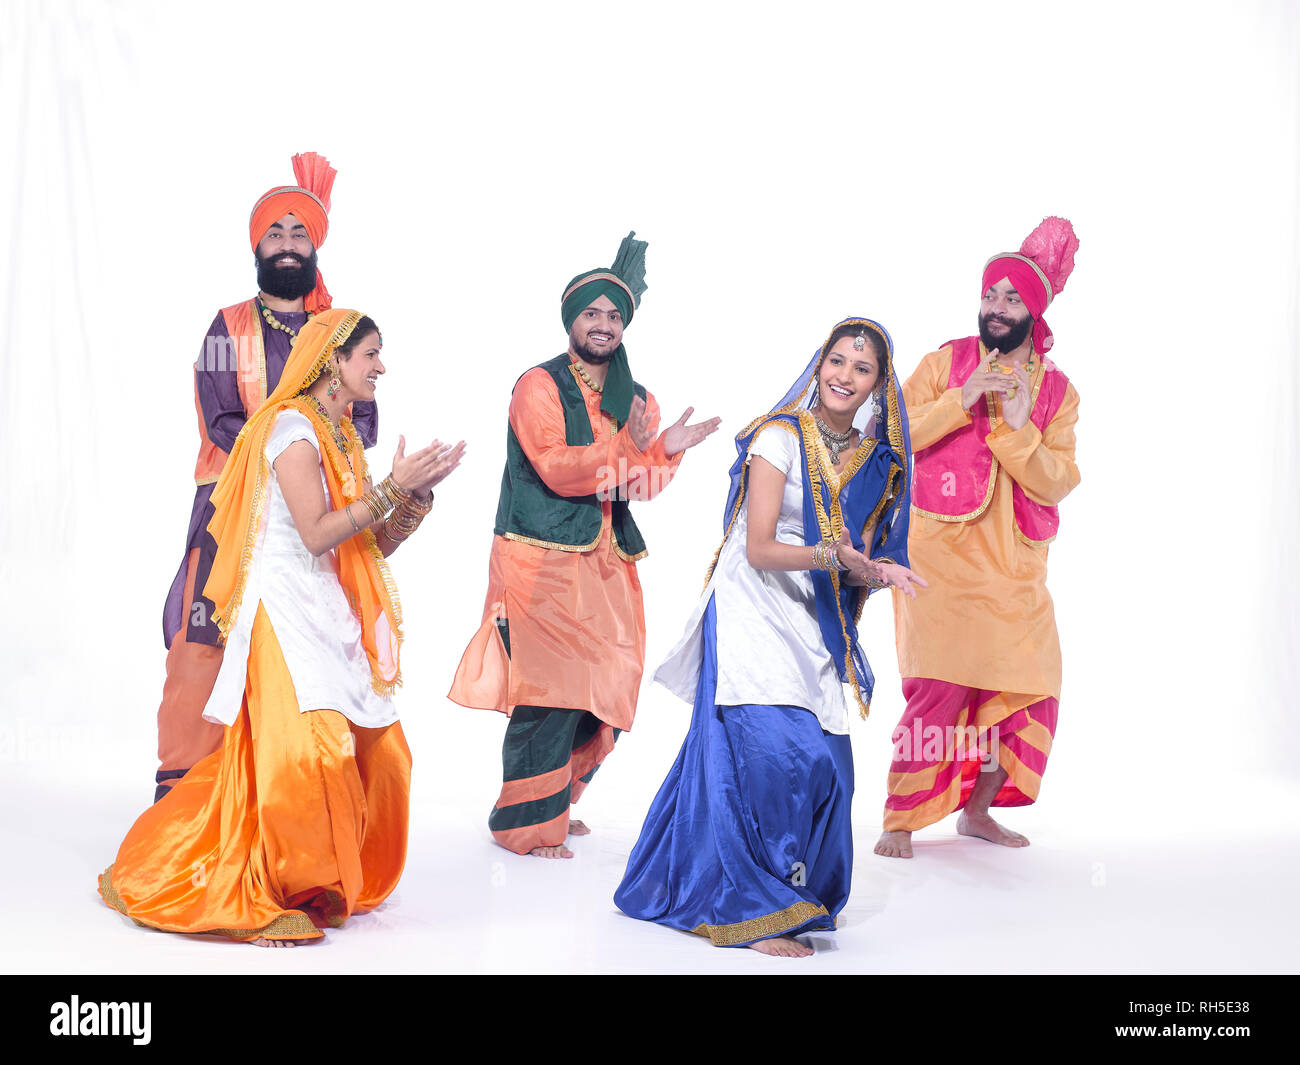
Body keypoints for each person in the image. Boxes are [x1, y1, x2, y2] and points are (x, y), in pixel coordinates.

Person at [100, 309, 463, 945]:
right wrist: (390, 488)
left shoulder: (340, 432)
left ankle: (321, 876)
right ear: (335, 362)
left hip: (328, 604)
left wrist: (413, 496)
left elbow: (367, 543)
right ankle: (281, 884)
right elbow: (319, 530)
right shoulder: (292, 429)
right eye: (372, 354)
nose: (381, 367)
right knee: (305, 751)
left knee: (381, 747)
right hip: (284, 607)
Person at [616, 317, 924, 956]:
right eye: (836, 361)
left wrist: (874, 569)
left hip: (812, 612)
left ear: (877, 385)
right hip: (752, 603)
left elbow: (858, 551)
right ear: (819, 365)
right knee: (769, 751)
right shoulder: (780, 437)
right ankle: (756, 905)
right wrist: (841, 560)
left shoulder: (874, 462)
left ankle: (778, 885)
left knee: (828, 763)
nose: (845, 376)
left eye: (861, 368)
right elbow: (758, 548)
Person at [449, 232, 719, 858]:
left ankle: (552, 800)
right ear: (572, 319)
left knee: (607, 685)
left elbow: (641, 485)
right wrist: (630, 449)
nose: (603, 325)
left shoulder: (639, 397)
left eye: (613, 315)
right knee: (549, 690)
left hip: (605, 564)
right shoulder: (537, 387)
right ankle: (523, 824)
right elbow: (553, 467)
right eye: (592, 313)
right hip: (539, 561)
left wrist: (667, 451)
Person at [154, 151, 377, 803]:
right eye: (274, 233)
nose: (286, 243)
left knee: (311, 643)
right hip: (231, 510)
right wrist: (286, 452)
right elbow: (220, 417)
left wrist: (315, 468)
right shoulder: (227, 328)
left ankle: (293, 798)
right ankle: (187, 797)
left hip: (316, 519)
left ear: (314, 246)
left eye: (298, 232)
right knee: (206, 636)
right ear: (258, 247)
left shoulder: (340, 335)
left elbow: (361, 422)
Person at [874, 217, 1081, 860]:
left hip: (1016, 568)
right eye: (991, 294)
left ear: (1034, 310)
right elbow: (893, 432)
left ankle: (978, 811)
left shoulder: (1058, 392)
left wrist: (1018, 429)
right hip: (939, 559)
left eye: (1012, 299)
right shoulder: (946, 362)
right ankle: (900, 821)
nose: (996, 308)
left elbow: (1057, 482)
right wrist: (963, 398)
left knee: (1029, 689)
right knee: (939, 687)